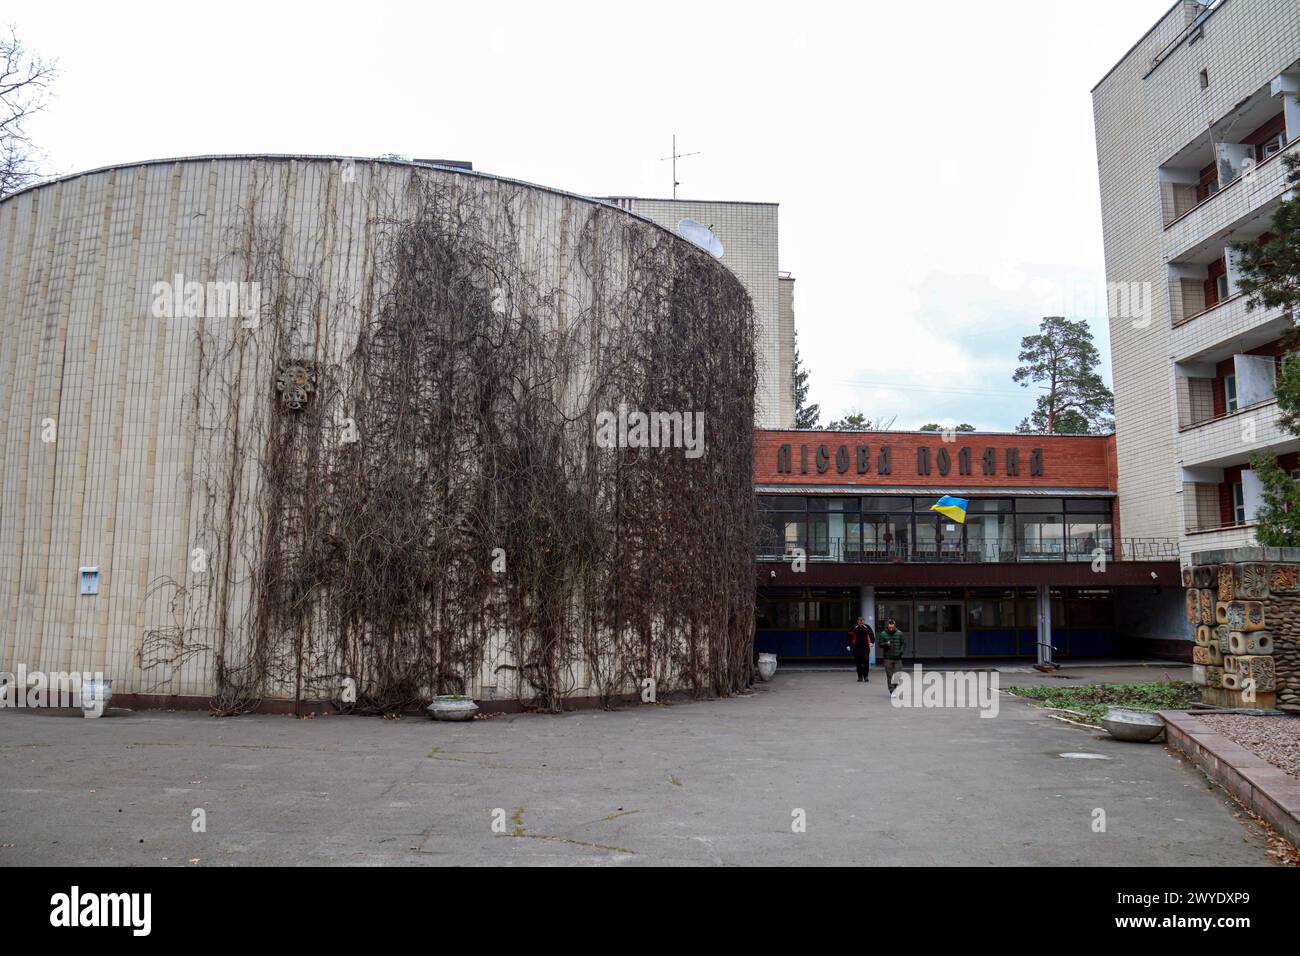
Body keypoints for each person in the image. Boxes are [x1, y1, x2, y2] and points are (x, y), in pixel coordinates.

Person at [879, 617, 907, 692]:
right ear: (887, 626)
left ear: (894, 626)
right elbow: (880, 644)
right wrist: (886, 644)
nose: (891, 628)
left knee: (898, 675)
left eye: (892, 627)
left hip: (898, 658)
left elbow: (903, 644)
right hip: (888, 658)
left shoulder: (899, 633)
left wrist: (901, 652)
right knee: (890, 676)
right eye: (889, 627)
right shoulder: (883, 634)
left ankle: (894, 686)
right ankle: (892, 690)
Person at [847, 616, 874, 683]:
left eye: (862, 622)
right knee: (858, 662)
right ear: (858, 622)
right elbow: (848, 636)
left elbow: (872, 635)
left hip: (865, 647)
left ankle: (866, 676)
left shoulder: (867, 627)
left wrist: (872, 642)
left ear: (864, 622)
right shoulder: (854, 627)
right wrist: (848, 645)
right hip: (856, 647)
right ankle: (860, 676)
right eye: (860, 622)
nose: (861, 623)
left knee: (866, 661)